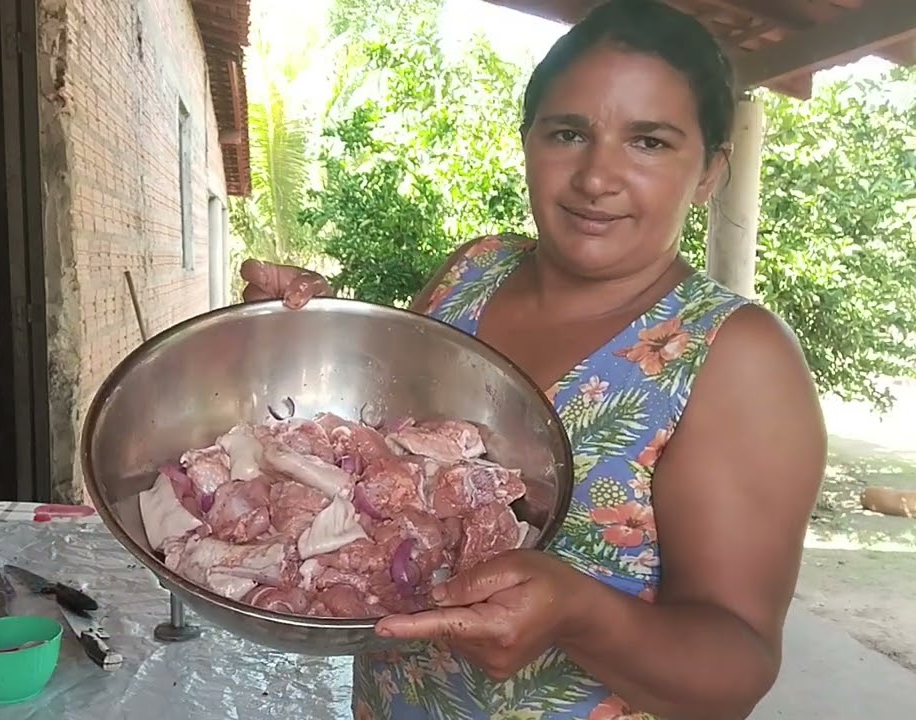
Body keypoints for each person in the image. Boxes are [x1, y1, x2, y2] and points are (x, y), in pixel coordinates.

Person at [238, 0, 826, 718]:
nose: (597, 177)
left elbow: (738, 669)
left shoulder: (734, 357)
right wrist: (302, 325)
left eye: (650, 142)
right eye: (569, 132)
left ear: (709, 173)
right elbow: (389, 455)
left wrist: (581, 614)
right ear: (528, 141)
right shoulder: (472, 273)